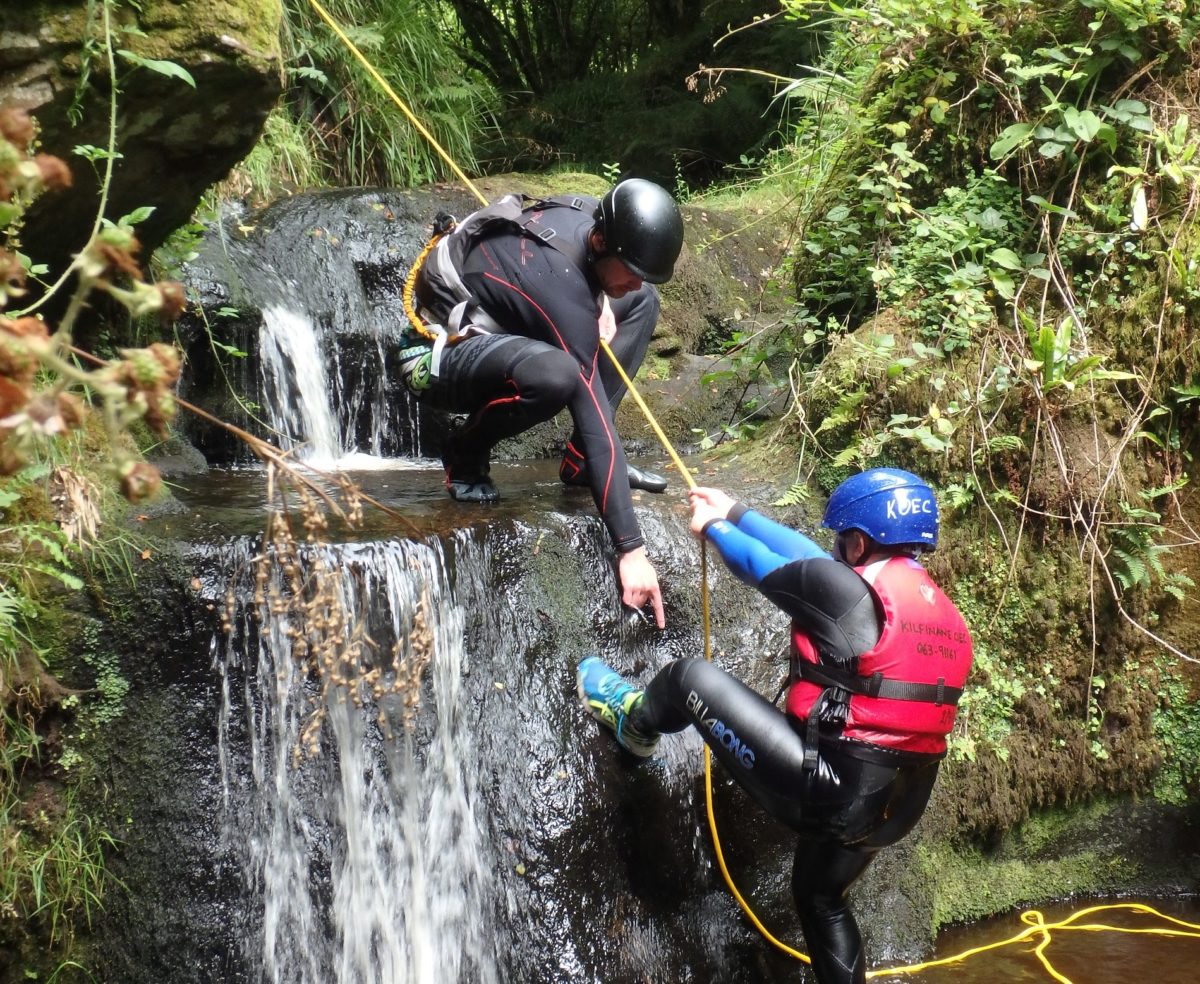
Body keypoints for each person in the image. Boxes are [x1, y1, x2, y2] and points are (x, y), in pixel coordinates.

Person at [576, 469, 974, 984]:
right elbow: (809, 559)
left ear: (857, 543)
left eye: (842, 540)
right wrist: (735, 510)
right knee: (820, 899)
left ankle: (634, 723)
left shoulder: (848, 594)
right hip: (899, 806)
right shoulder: (939, 613)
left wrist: (715, 528)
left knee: (686, 678)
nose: (836, 549)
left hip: (832, 790)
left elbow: (760, 565)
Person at [402, 178, 685, 628]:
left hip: (510, 323)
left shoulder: (595, 218)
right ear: (600, 243)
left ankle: (579, 462)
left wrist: (602, 298)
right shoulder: (559, 284)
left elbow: (599, 283)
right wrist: (631, 549)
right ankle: (464, 455)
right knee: (559, 374)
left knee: (643, 302)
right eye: (631, 269)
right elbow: (593, 416)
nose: (635, 280)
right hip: (431, 354)